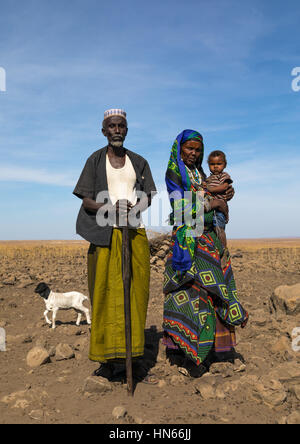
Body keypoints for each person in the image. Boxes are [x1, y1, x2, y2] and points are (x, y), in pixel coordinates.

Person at [73, 109, 157, 383]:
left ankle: (133, 357)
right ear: (104, 131)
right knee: (103, 295)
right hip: (104, 235)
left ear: (126, 130)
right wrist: (108, 207)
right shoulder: (95, 160)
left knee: (135, 293)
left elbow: (148, 197)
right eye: (112, 126)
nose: (117, 129)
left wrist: (135, 208)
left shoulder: (139, 162)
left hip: (134, 234)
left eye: (121, 125)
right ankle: (108, 362)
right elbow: (86, 200)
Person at [162, 130, 248, 377]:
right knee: (189, 293)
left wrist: (224, 197)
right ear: (179, 149)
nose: (194, 153)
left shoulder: (202, 173)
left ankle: (212, 350)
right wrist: (214, 204)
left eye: (198, 150)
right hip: (187, 243)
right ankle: (186, 353)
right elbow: (179, 208)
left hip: (209, 238)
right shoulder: (174, 173)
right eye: (189, 148)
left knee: (213, 293)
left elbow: (214, 196)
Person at [205, 150, 233, 262]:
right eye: (212, 164)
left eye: (219, 164)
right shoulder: (209, 178)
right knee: (212, 230)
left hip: (219, 209)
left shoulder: (224, 176)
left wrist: (210, 189)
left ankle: (224, 250)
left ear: (224, 165)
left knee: (219, 229)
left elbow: (224, 187)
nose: (215, 167)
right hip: (211, 209)